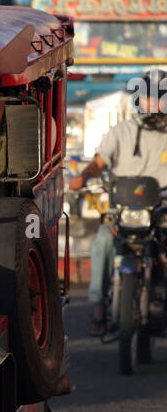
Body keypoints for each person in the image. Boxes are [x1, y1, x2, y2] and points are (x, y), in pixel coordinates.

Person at [69, 69, 167, 335]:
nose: (153, 104)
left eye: (159, 98)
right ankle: (99, 308)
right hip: (122, 209)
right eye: (148, 98)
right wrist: (83, 176)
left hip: (160, 210)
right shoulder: (121, 131)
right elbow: (99, 163)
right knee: (102, 243)